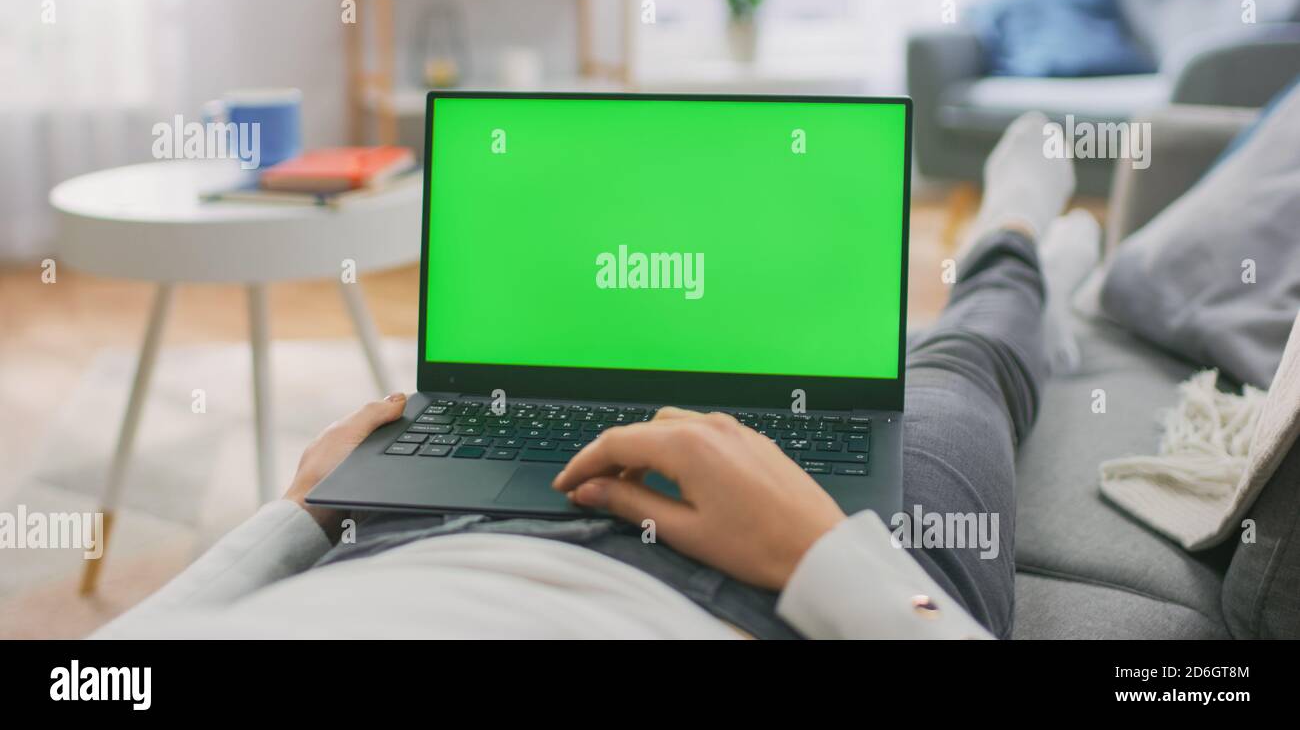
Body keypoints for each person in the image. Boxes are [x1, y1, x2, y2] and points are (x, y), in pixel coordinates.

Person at [95, 113, 1099, 640]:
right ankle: (1015, 248)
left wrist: (297, 509)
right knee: (956, 370)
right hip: (775, 590)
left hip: (407, 543)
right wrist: (817, 551)